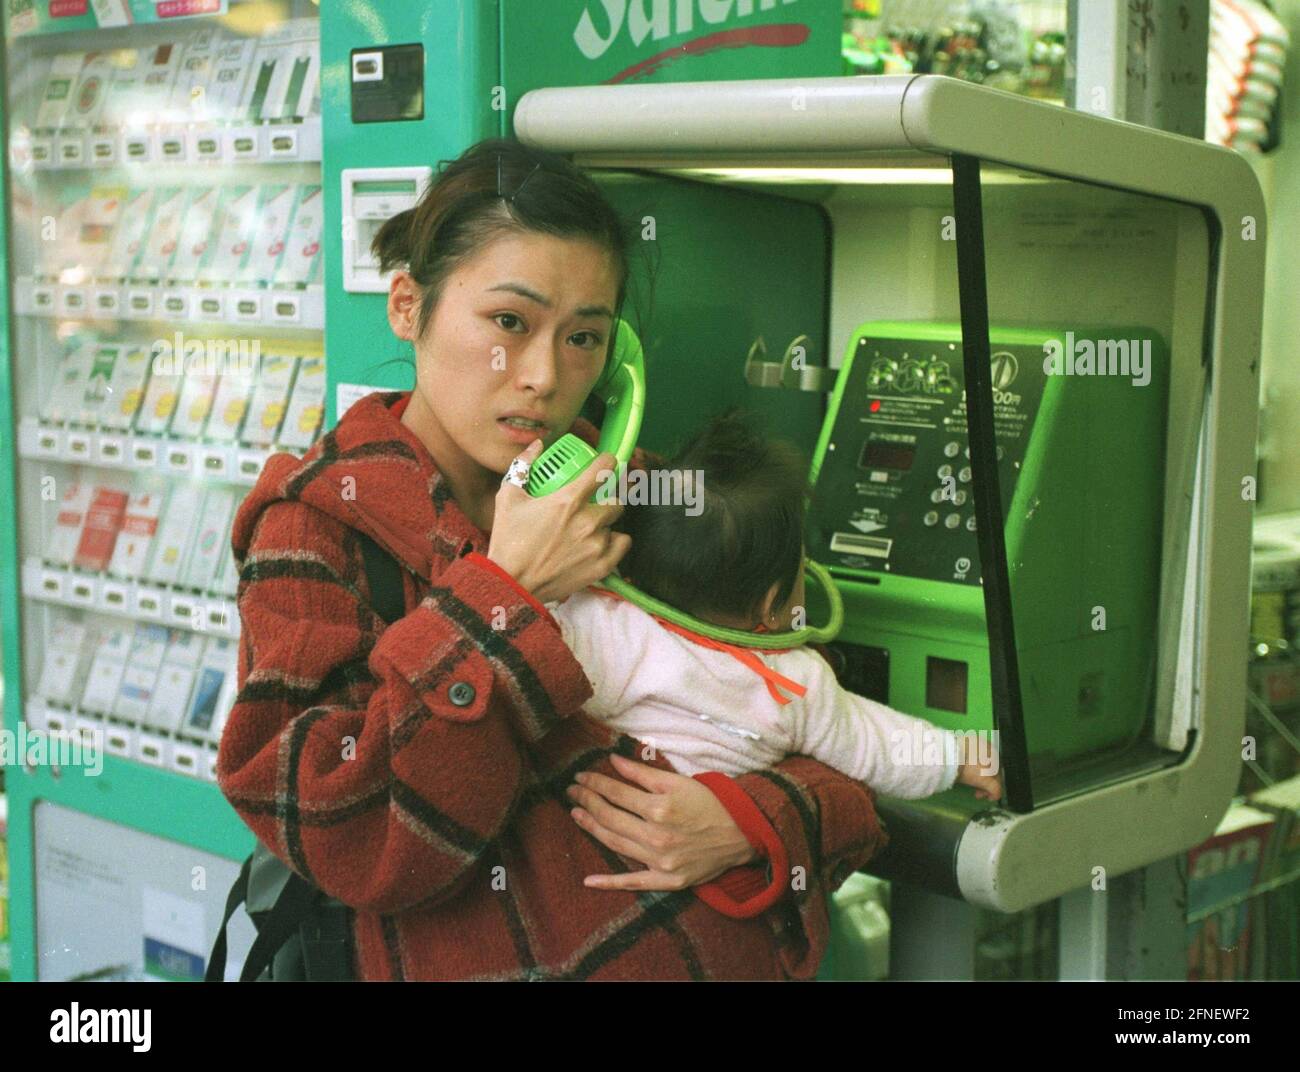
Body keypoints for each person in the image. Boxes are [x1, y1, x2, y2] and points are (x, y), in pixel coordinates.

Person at [217, 137, 887, 981]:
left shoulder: (628, 496)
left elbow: (822, 729)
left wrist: (748, 818)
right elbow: (355, 839)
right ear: (406, 307)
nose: (543, 375)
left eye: (585, 339)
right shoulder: (315, 529)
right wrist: (504, 593)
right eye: (509, 323)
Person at [547, 410, 1004, 804]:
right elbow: (873, 744)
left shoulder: (608, 625)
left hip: (607, 833)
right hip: (720, 867)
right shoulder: (795, 682)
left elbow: (531, 636)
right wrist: (960, 758)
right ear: (772, 603)